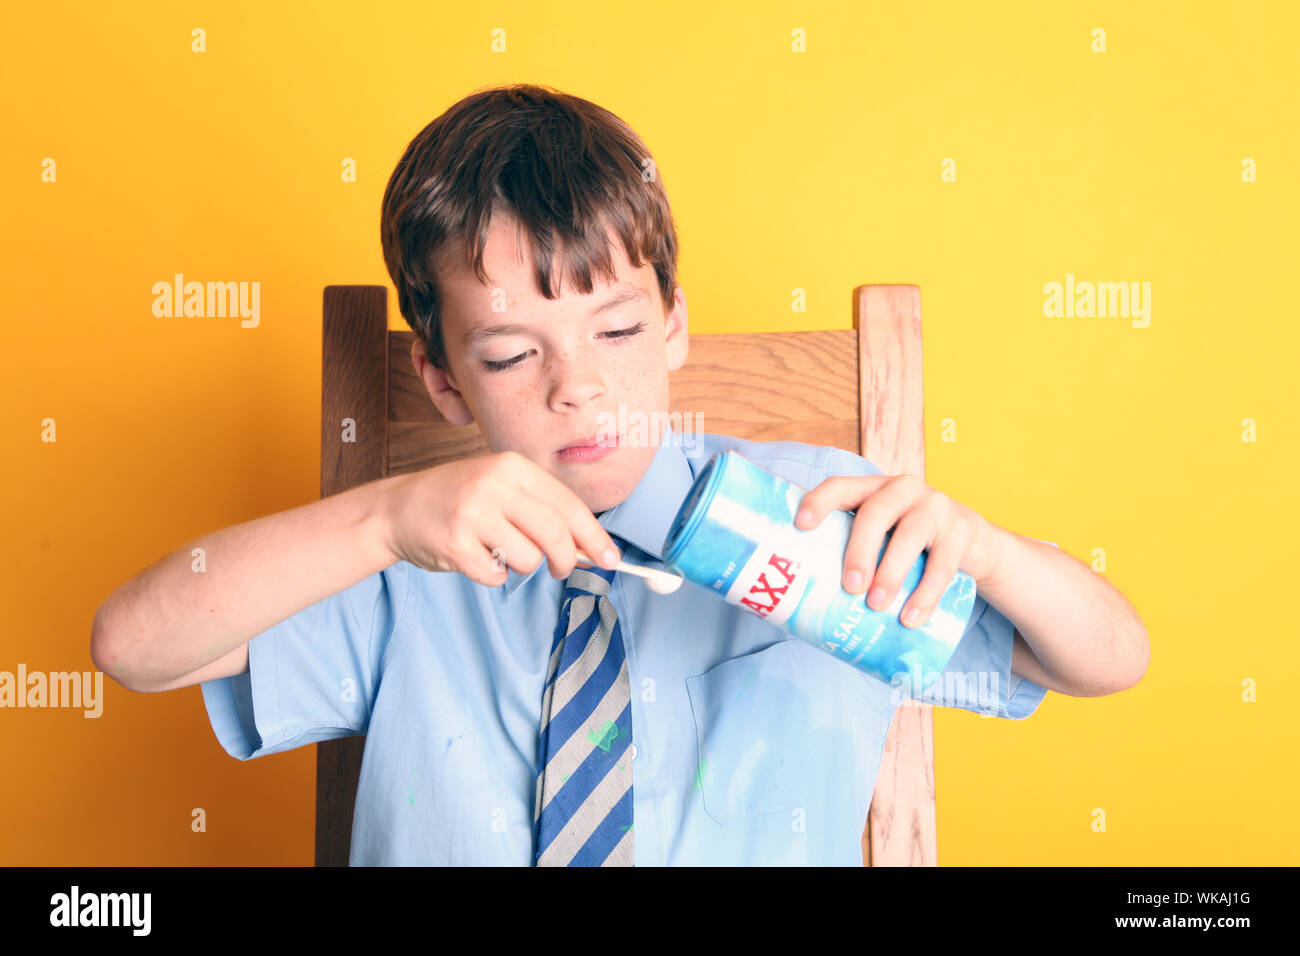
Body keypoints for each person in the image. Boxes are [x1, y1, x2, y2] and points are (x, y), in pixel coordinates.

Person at [90, 83, 1148, 866]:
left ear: (675, 321)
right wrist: (376, 520)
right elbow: (130, 645)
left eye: (618, 328)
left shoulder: (817, 512)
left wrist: (991, 553)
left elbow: (1108, 657)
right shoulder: (404, 558)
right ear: (444, 380)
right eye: (509, 354)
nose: (578, 388)